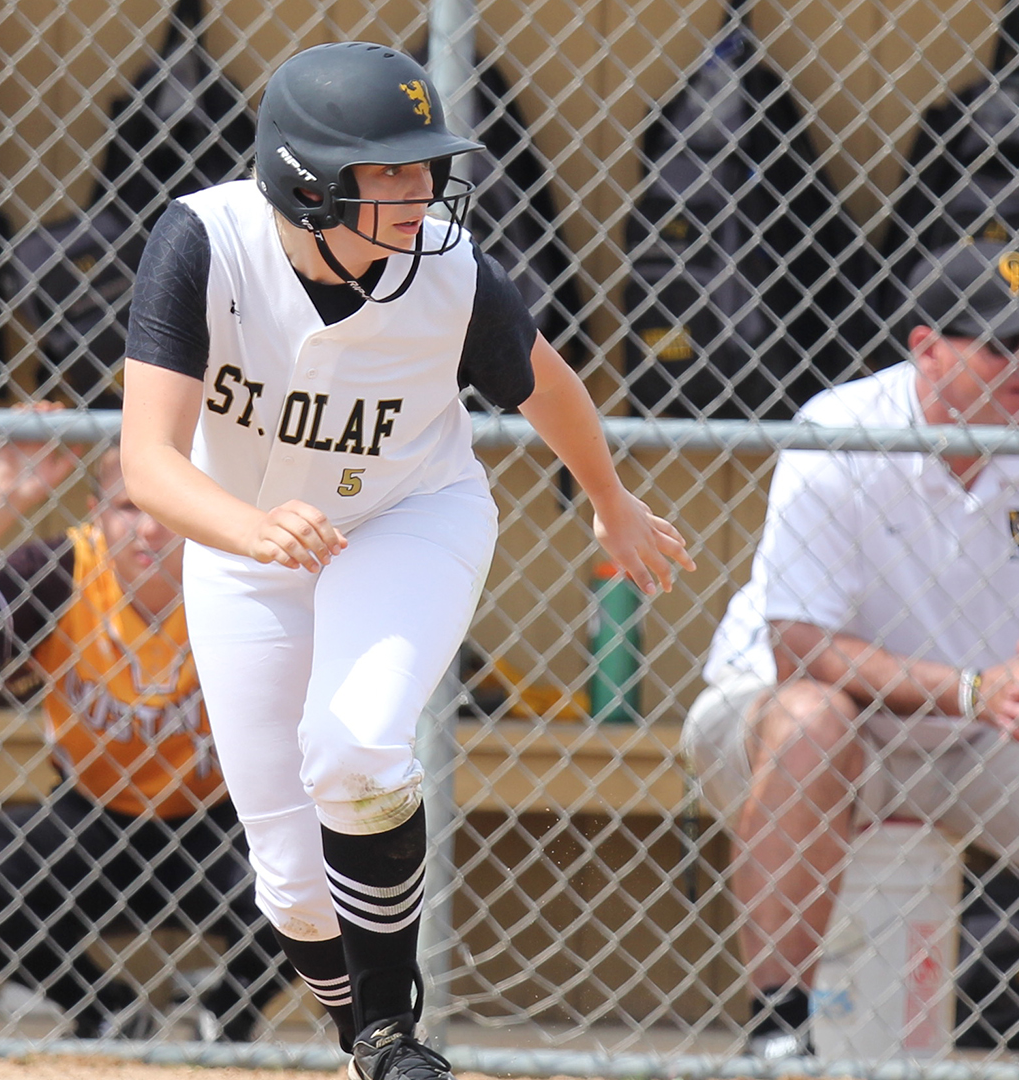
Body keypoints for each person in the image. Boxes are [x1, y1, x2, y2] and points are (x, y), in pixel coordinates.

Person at [120, 42, 693, 1080]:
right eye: (386, 173)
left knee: (354, 744)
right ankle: (361, 1039)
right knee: (291, 886)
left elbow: (548, 387)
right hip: (245, 545)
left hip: (408, 516)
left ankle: (392, 1040)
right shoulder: (205, 244)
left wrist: (610, 502)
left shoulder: (450, 273)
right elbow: (148, 464)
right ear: (305, 182)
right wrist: (249, 531)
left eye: (424, 169)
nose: (420, 193)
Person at [684, 241, 1019, 1064]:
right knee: (816, 719)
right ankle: (780, 1033)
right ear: (927, 349)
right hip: (794, 725)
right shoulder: (839, 429)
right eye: (1002, 343)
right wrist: (970, 689)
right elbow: (799, 648)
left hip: (979, 741)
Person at [0, 408, 293, 1041]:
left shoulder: (238, 570)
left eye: (170, 508)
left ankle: (229, 1011)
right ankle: (104, 1008)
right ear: (97, 514)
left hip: (219, 821)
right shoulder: (67, 568)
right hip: (93, 819)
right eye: (128, 506)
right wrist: (4, 497)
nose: (149, 530)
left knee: (328, 867)